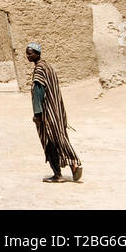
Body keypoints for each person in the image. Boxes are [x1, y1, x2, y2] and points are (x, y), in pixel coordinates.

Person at [25, 43, 83, 183]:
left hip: (47, 114)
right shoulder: (48, 67)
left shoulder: (39, 70)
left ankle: (58, 174)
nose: (28, 56)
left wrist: (37, 115)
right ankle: (73, 165)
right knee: (59, 138)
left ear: (38, 54)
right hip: (56, 112)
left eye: (31, 53)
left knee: (49, 142)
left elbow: (38, 93)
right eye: (27, 53)